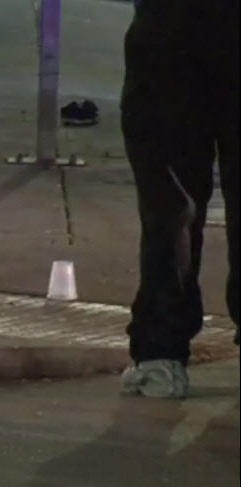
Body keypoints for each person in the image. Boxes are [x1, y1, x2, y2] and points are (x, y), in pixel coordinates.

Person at [119, 0, 239, 398]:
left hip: (170, 29)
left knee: (170, 201)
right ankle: (160, 348)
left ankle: (161, 352)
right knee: (170, 200)